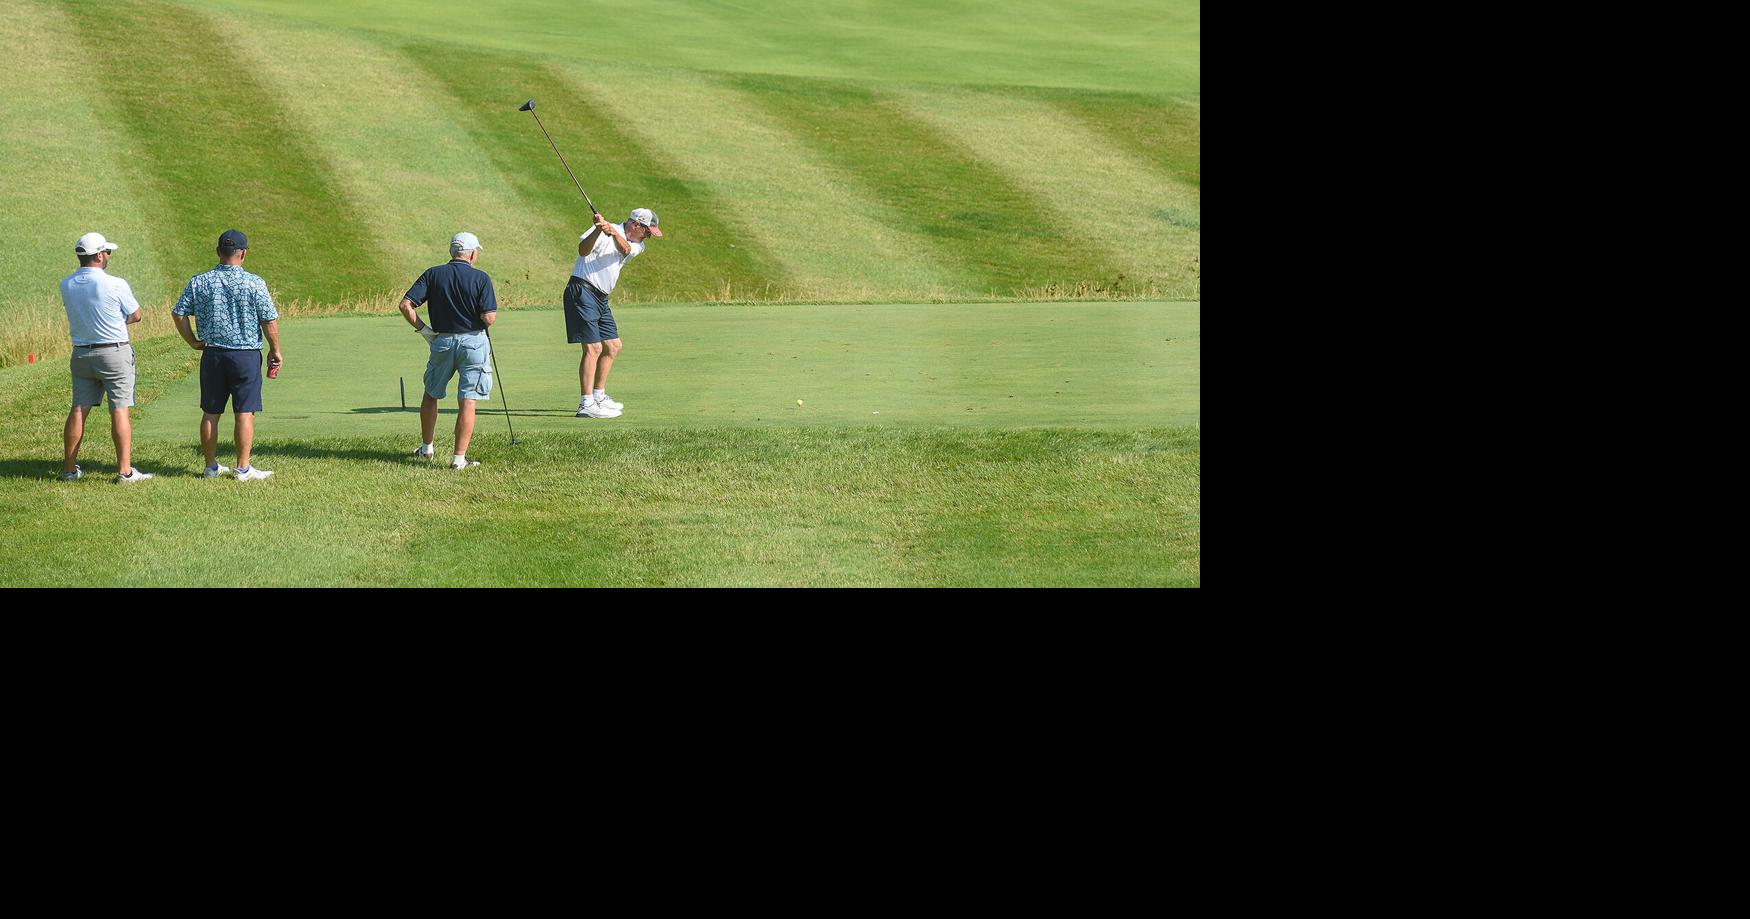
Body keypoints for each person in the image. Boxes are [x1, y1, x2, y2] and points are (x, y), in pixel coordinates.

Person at [171, 229, 282, 481]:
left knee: (211, 411)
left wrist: (193, 342)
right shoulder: (254, 282)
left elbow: (179, 313)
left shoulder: (200, 281)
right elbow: (269, 320)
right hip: (245, 356)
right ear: (243, 253)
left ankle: (210, 467)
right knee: (245, 411)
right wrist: (275, 349)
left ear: (218, 252)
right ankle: (243, 468)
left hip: (212, 354)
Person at [59, 232, 152, 483]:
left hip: (81, 354)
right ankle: (125, 471)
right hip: (113, 352)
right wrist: (118, 321)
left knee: (79, 408)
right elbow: (136, 314)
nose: (108, 256)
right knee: (120, 409)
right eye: (107, 252)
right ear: (99, 255)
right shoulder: (115, 283)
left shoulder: (66, 284)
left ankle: (69, 469)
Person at [399, 232, 497, 469]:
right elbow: (489, 317)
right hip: (473, 343)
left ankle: (427, 448)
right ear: (472, 254)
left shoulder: (433, 274)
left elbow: (406, 305)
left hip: (441, 341)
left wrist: (424, 330)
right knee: (467, 400)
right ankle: (458, 459)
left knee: (431, 393)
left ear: (452, 252)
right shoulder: (481, 278)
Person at [567, 207, 661, 418]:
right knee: (593, 348)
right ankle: (586, 403)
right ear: (637, 225)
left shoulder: (637, 245)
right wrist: (598, 230)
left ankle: (598, 395)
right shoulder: (602, 230)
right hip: (582, 289)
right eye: (647, 231)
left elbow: (625, 249)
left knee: (613, 346)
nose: (648, 236)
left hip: (600, 297)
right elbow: (582, 250)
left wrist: (611, 231)